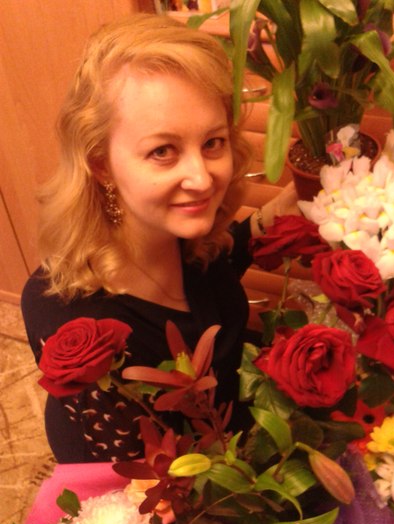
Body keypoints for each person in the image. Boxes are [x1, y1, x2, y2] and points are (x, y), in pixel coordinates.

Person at [21, 13, 299, 463]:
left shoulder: (181, 234)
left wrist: (291, 202)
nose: (202, 178)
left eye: (212, 142)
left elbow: (217, 267)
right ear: (101, 165)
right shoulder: (80, 333)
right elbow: (142, 490)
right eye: (163, 151)